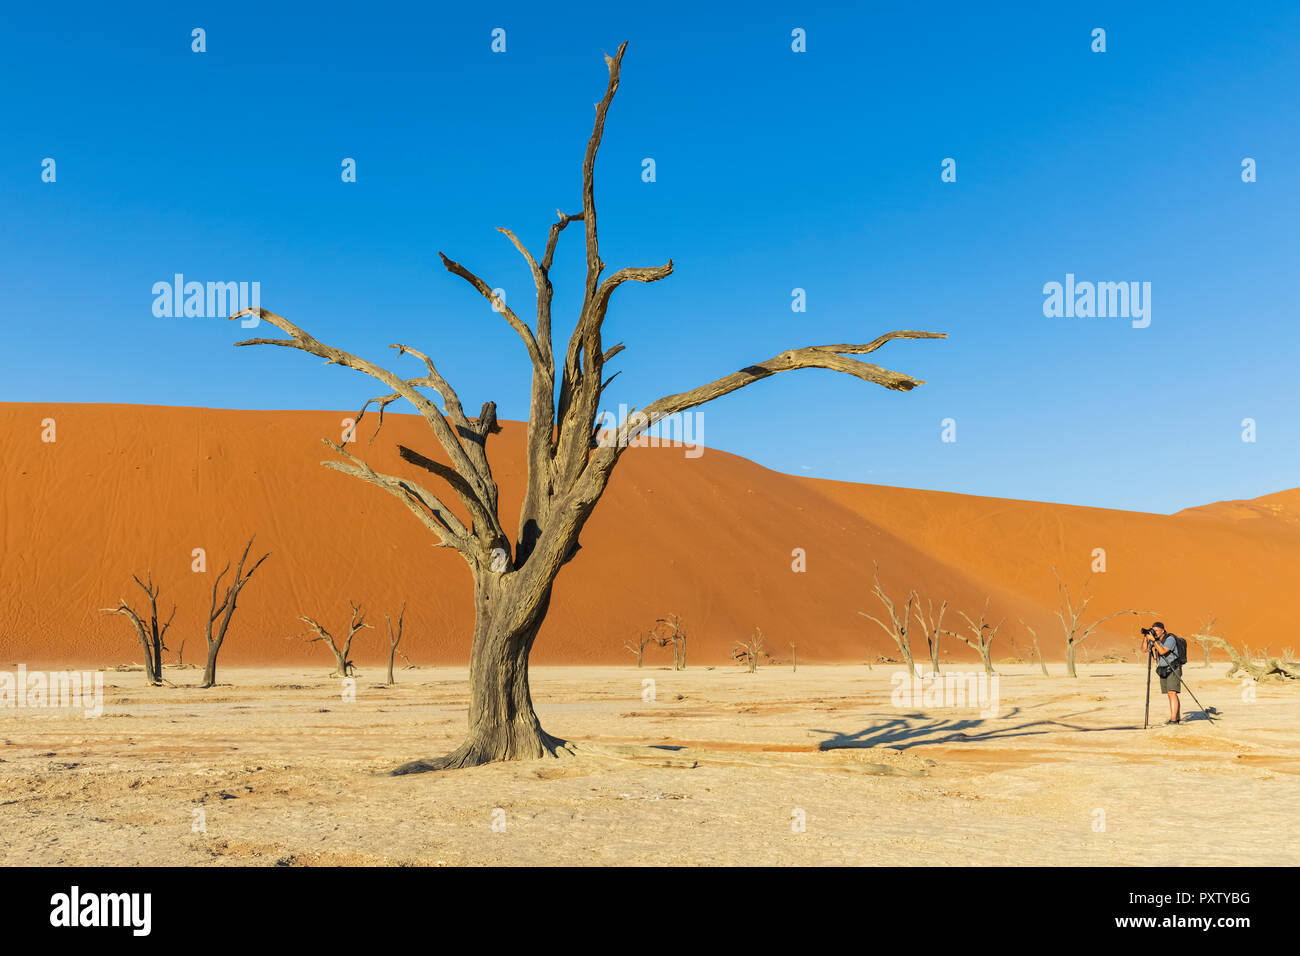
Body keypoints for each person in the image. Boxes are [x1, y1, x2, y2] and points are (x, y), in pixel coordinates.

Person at [1144, 622, 1181, 724]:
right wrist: (1146, 637)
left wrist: (1154, 640)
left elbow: (1162, 651)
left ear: (1162, 630)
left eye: (1156, 630)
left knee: (1172, 692)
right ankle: (1177, 717)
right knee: (1170, 694)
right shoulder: (1156, 639)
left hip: (1173, 668)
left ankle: (1173, 720)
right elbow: (1144, 649)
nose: (1154, 632)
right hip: (1163, 669)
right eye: (1153, 630)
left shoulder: (1170, 639)